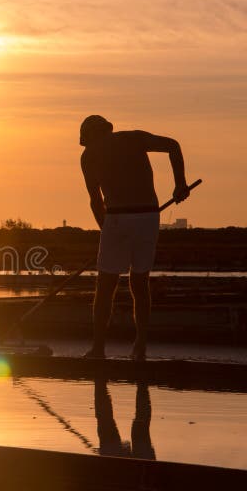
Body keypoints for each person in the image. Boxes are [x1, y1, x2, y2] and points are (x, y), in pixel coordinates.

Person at [79, 115, 190, 360]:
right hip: (148, 216)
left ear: (90, 137)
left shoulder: (88, 156)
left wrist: (105, 229)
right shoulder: (135, 138)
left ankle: (98, 349)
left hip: (118, 217)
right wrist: (179, 184)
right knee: (140, 283)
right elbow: (173, 146)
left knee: (106, 286)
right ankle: (140, 346)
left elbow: (96, 200)